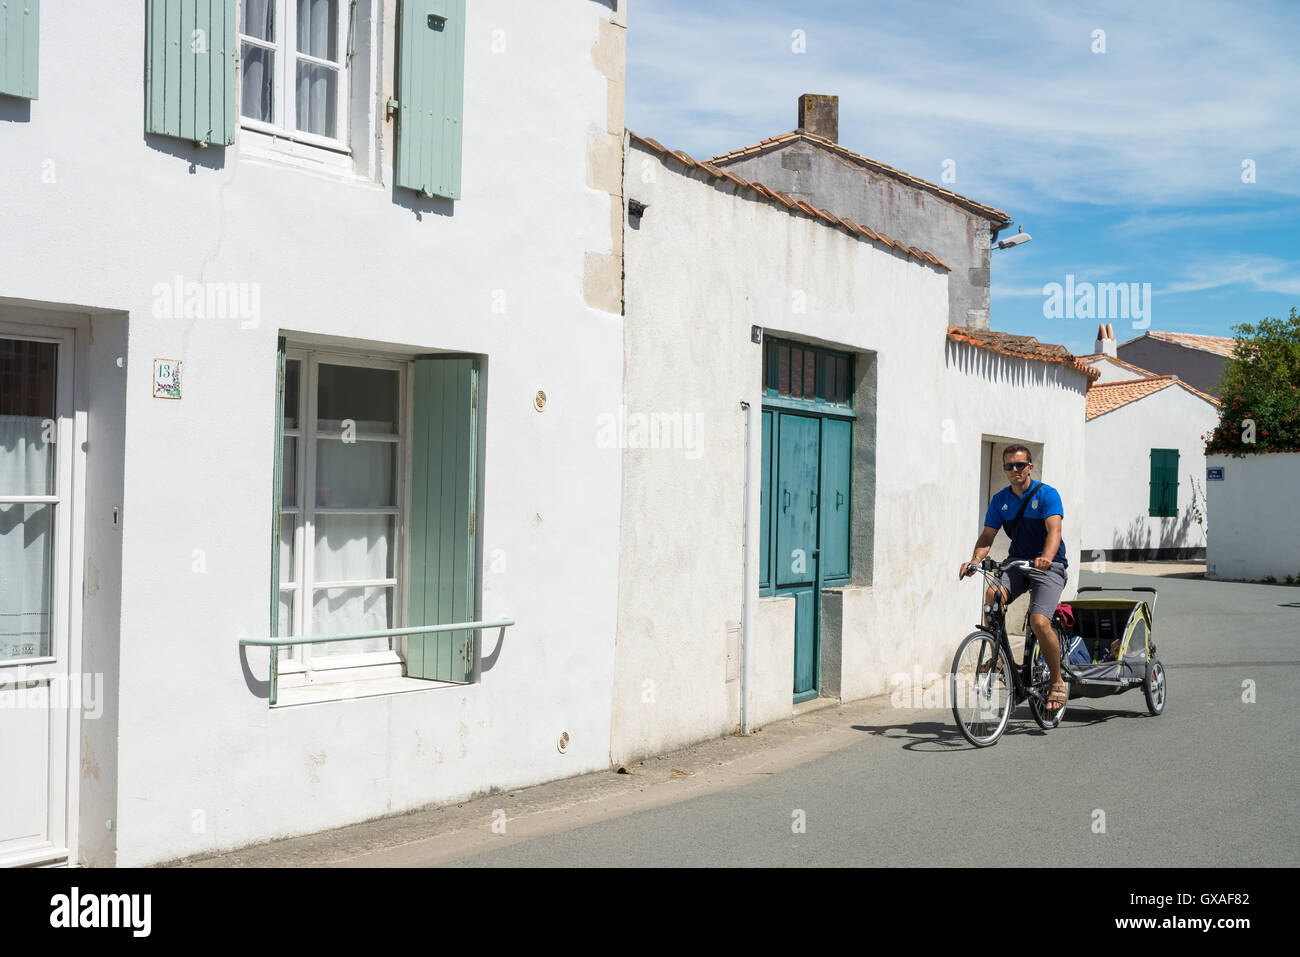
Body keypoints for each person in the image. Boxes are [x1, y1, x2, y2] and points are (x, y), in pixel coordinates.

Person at [958, 445, 1069, 712]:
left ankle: (1057, 681)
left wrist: (1046, 557)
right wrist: (974, 561)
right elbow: (987, 537)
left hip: (1049, 566)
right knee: (992, 594)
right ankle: (998, 659)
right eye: (1009, 466)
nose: (1015, 470)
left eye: (1020, 465)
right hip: (1018, 564)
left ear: (1030, 467)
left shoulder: (1046, 494)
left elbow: (1054, 530)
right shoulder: (1000, 500)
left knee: (1039, 621)